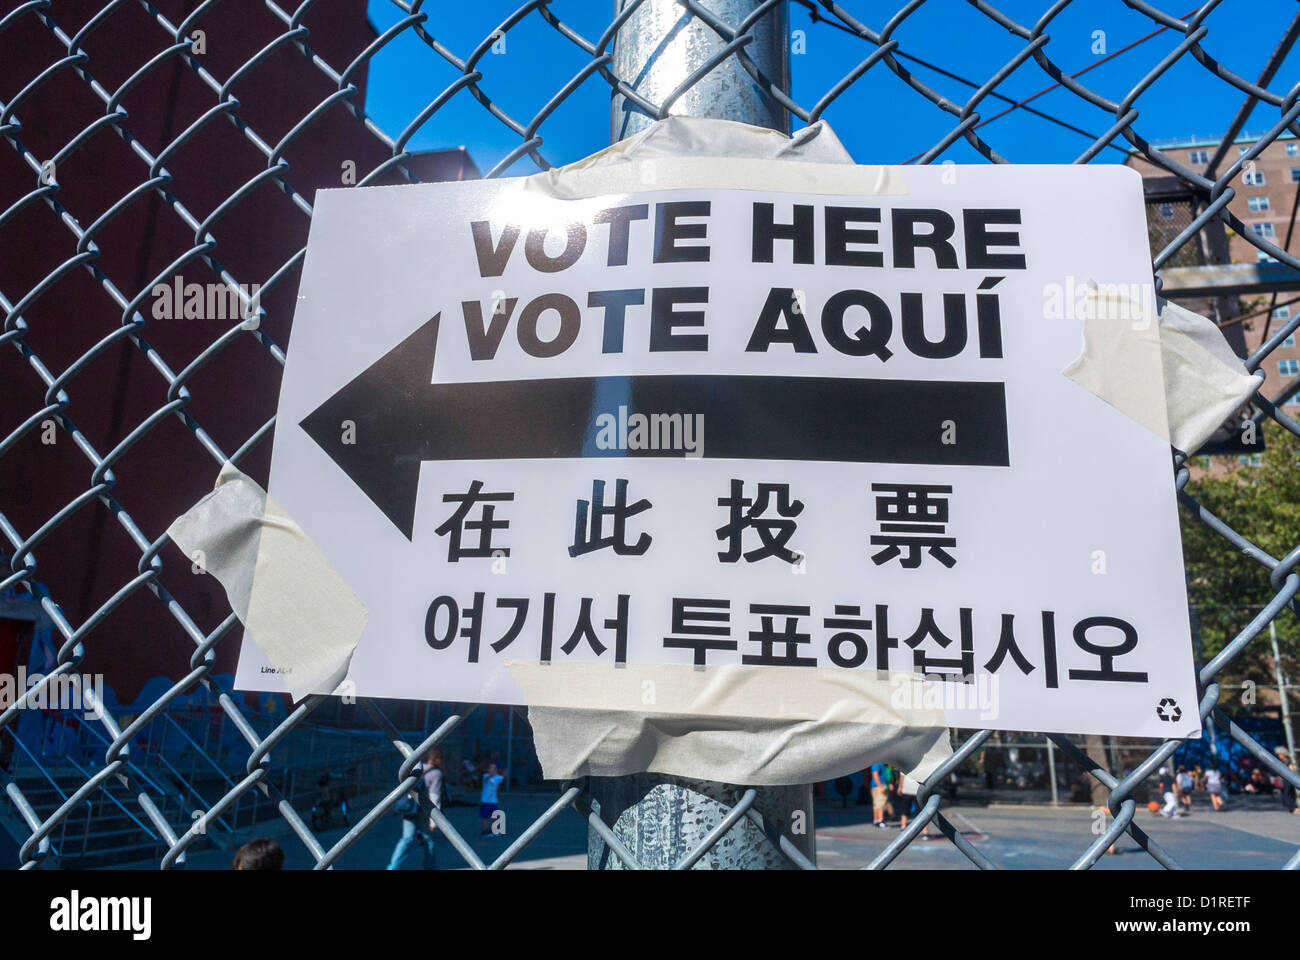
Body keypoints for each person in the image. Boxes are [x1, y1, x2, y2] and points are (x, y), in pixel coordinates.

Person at [387, 748, 442, 870]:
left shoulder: (416, 769)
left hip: (409, 809)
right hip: (423, 811)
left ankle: (392, 867)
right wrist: (434, 821)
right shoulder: (436, 773)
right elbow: (434, 796)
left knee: (406, 839)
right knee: (429, 841)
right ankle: (430, 867)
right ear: (438, 759)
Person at [480, 761, 505, 837]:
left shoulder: (498, 777)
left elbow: (502, 780)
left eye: (494, 768)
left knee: (495, 816)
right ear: (488, 769)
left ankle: (493, 830)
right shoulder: (485, 776)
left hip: (493, 800)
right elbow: (486, 780)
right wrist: (491, 775)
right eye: (491, 768)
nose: (492, 769)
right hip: (485, 801)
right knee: (485, 816)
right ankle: (485, 830)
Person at [869, 763, 889, 828]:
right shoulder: (877, 763)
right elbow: (875, 774)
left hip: (875, 786)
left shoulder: (879, 763)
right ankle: (881, 821)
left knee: (876, 804)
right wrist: (880, 786)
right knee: (881, 804)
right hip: (879, 786)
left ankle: (876, 821)